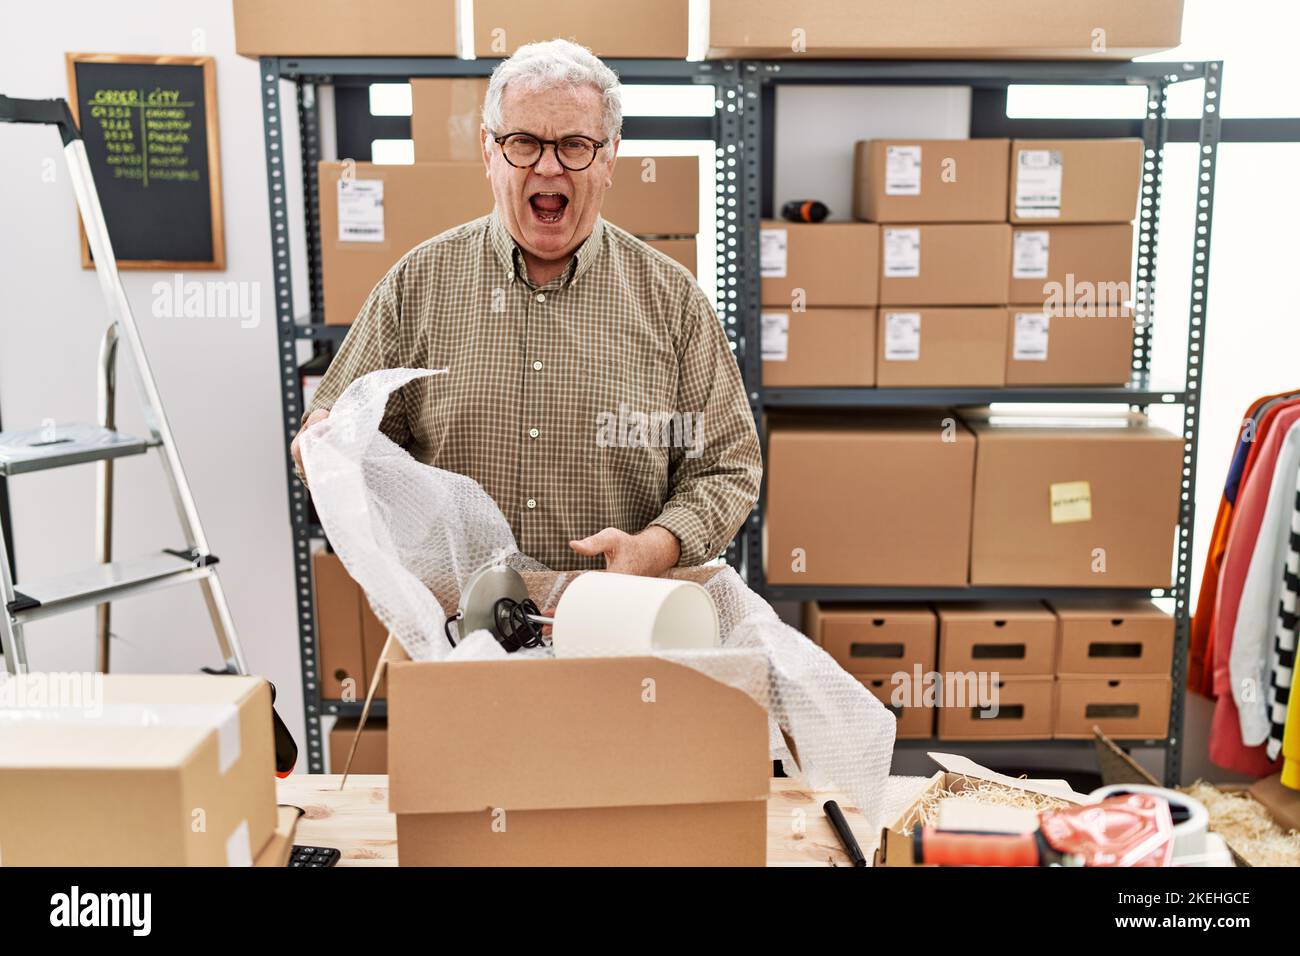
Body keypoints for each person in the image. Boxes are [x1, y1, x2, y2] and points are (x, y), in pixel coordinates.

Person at [291, 38, 761, 577]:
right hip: (457, 625)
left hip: (615, 621)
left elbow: (727, 465)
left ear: (609, 158)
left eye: (575, 145)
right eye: (524, 143)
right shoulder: (415, 285)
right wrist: (327, 443)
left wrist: (656, 547)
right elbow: (338, 440)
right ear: (489, 152)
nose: (548, 167)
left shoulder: (674, 302)